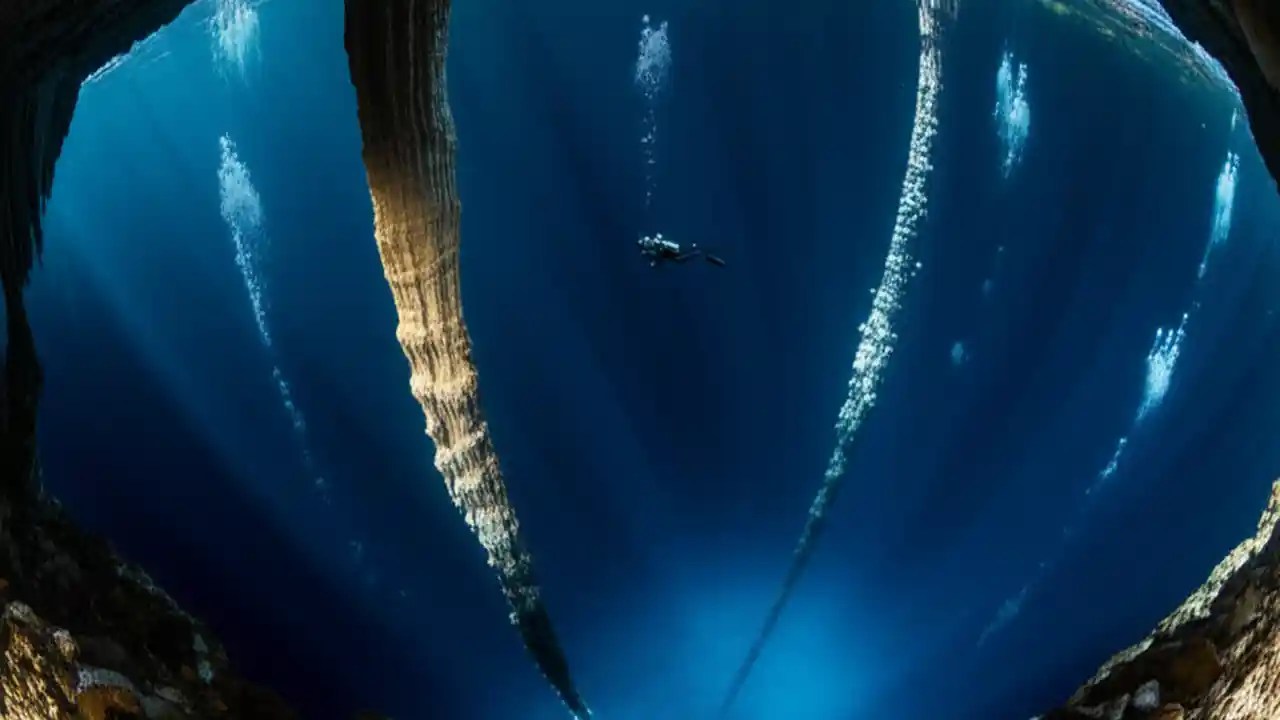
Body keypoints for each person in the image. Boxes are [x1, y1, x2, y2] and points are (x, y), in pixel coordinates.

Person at [637, 233, 726, 268]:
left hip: (675, 254)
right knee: (689, 251)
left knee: (685, 256)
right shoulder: (656, 244)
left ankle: (700, 252)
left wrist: (654, 262)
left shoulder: (655, 248)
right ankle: (700, 251)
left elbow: (659, 257)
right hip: (676, 250)